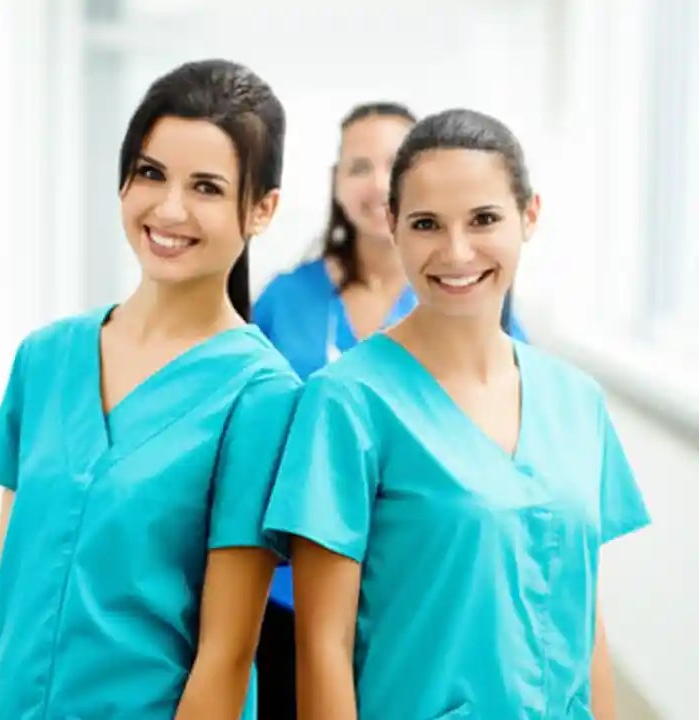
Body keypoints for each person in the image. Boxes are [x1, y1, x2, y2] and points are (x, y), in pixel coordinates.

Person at [264, 108, 651, 719]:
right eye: (426, 223)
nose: (457, 251)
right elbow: (322, 647)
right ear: (393, 226)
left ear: (530, 216)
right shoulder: (348, 402)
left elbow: (587, 620)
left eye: (484, 219)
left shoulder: (575, 400)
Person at [0, 59, 301, 720]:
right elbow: (4, 577)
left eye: (206, 186)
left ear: (262, 208)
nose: (169, 209)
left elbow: (225, 656)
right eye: (151, 173)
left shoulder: (261, 397)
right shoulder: (48, 358)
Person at [249, 102, 526, 718]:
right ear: (334, 182)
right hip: (296, 591)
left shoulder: (472, 302)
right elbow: (250, 448)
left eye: (391, 165)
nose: (375, 183)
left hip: (428, 593)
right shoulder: (284, 301)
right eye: (358, 166)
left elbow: (518, 438)